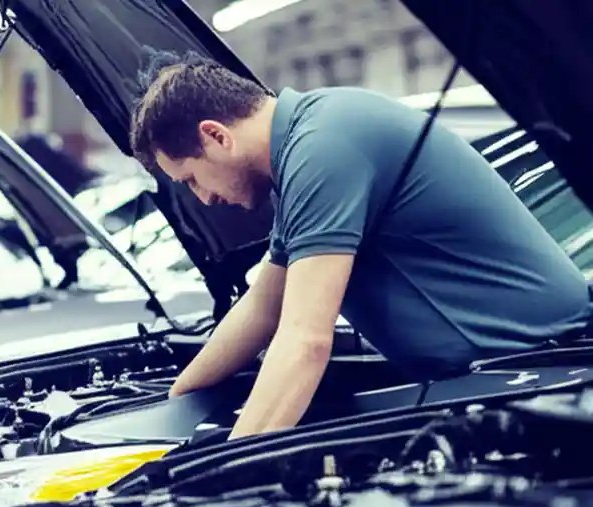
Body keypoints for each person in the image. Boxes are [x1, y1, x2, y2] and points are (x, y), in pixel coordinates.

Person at [129, 52, 590, 441]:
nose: (203, 198)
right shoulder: (308, 144)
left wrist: (217, 475)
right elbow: (263, 309)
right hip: (498, 377)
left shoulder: (324, 147)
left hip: (545, 376)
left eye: (191, 178)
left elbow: (305, 340)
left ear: (216, 135)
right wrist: (172, 405)